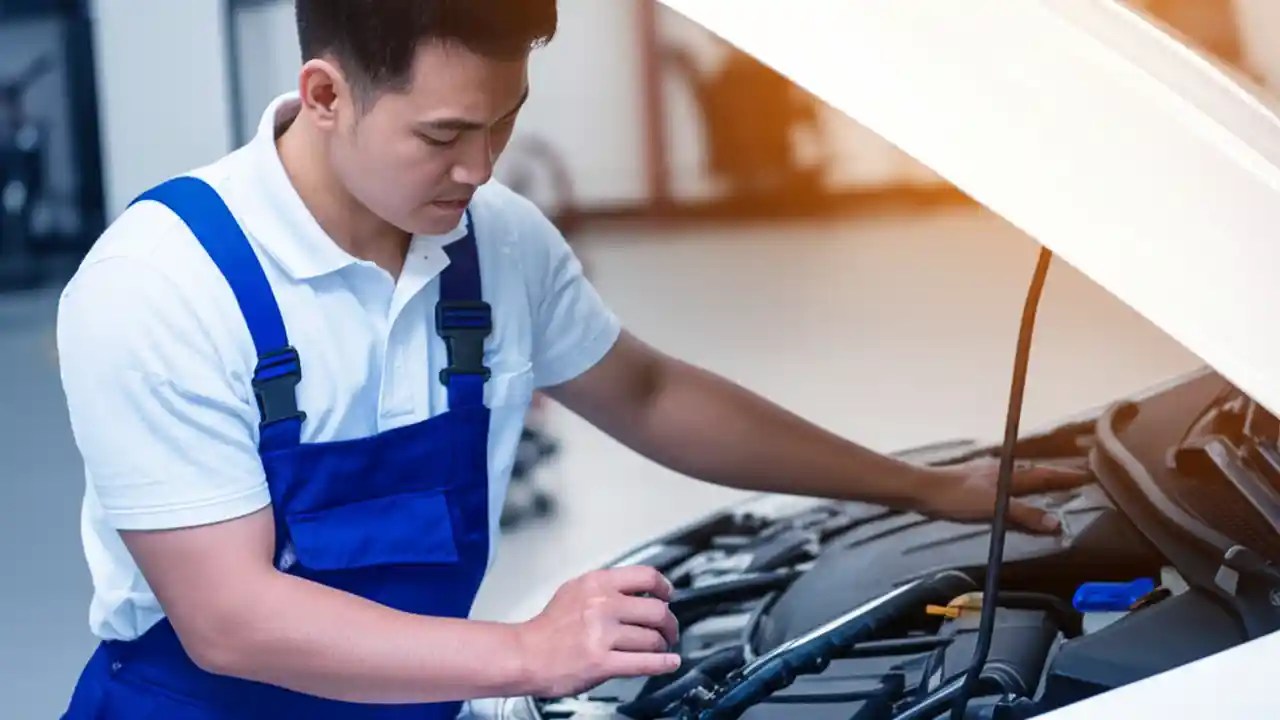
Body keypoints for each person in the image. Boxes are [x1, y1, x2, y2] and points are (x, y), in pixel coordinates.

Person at [54, 2, 1088, 718]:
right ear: (324, 95)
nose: (481, 167)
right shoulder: (160, 285)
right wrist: (521, 653)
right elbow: (229, 622)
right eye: (444, 133)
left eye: (505, 122)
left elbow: (647, 392)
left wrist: (922, 487)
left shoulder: (494, 240)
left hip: (410, 704)